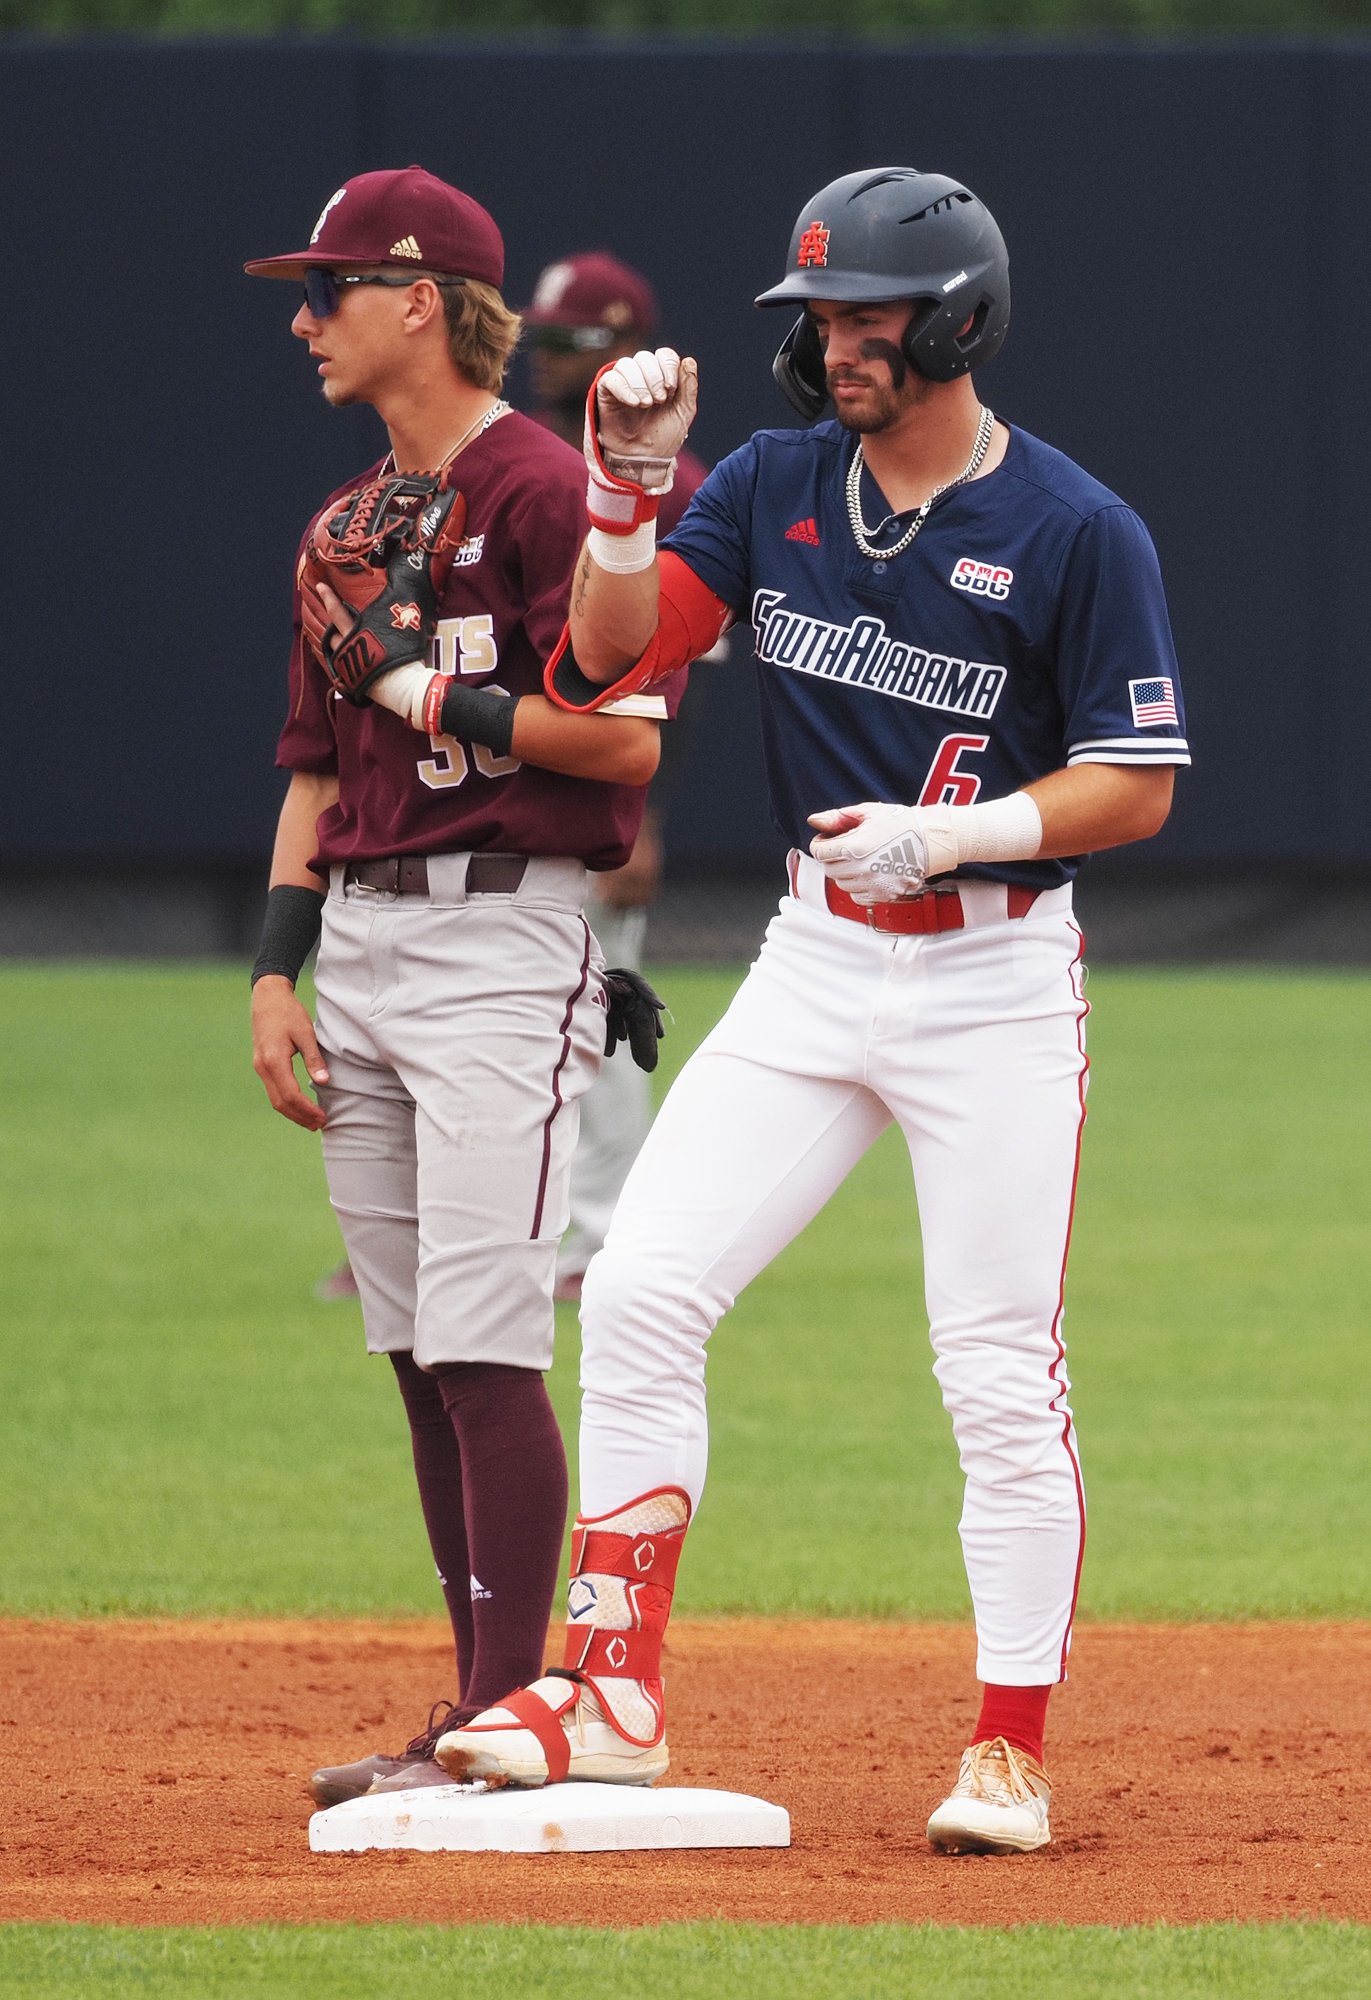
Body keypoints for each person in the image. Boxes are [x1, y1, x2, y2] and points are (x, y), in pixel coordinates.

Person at [432, 168, 1190, 1855]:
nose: (833, 343)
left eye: (864, 316)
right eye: (821, 317)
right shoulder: (772, 485)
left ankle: (1007, 1745)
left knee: (995, 1369)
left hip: (992, 977)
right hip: (815, 958)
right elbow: (613, 664)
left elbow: (1133, 789)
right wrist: (626, 494)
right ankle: (611, 1692)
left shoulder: (1076, 529)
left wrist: (966, 829)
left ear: (959, 318)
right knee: (636, 1290)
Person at [243, 166, 685, 1806]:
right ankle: (470, 1711)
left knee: (490, 1337)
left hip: (506, 934)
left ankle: (522, 1709)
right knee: (418, 1346)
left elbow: (625, 734)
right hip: (356, 934)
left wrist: (433, 686)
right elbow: (311, 766)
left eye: (330, 288)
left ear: (418, 301)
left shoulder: (548, 494)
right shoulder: (345, 525)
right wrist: (276, 972)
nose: (306, 319)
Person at [521, 250, 713, 1301]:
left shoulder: (675, 484)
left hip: (603, 794)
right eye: (540, 339)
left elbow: (679, 659)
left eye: (572, 343)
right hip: (518, 794)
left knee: (600, 1016)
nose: (548, 361)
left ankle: (604, 1240)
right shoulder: (515, 458)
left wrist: (645, 814)